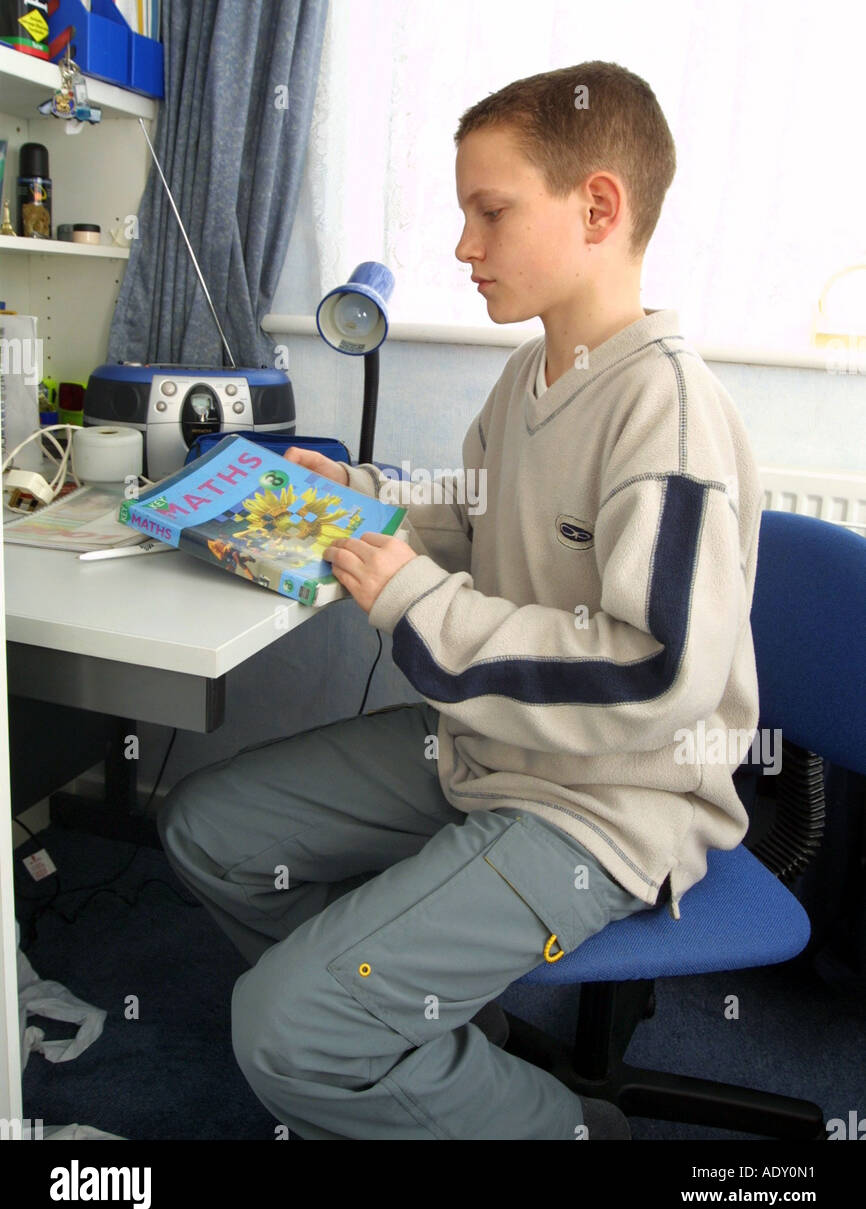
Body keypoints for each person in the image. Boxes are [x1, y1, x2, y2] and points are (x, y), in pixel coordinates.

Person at [157, 60, 764, 1140]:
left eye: (489, 211)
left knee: (283, 1032)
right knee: (211, 829)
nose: (462, 246)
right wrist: (364, 501)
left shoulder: (666, 411)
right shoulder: (531, 376)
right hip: (485, 748)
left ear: (595, 207)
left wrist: (416, 603)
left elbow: (655, 668)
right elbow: (477, 518)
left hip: (604, 804)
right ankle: (416, 1049)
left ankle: (571, 1131)